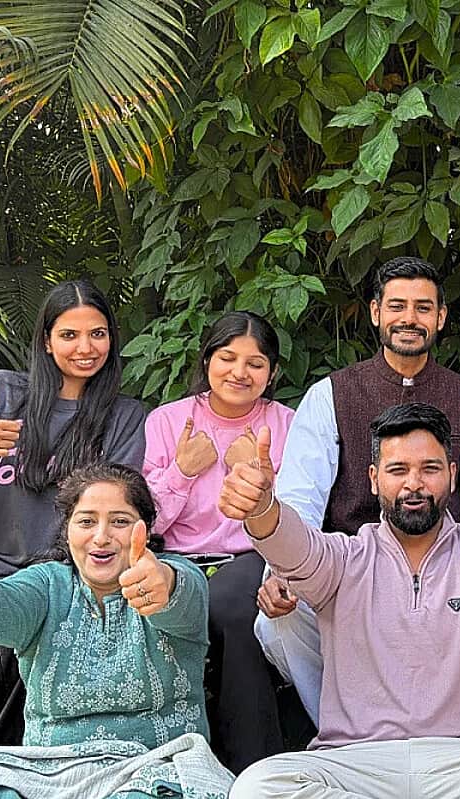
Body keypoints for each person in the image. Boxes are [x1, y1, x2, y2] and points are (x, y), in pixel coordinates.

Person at [220, 404, 460, 799]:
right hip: (356, 762)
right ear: (374, 479)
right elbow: (294, 549)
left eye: (430, 469)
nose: (414, 484)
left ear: (453, 476)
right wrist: (262, 509)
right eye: (398, 470)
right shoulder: (343, 560)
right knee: (257, 786)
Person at [254, 256, 460, 723]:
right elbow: (301, 500)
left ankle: (459, 728)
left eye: (422, 307)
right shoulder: (330, 394)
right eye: (397, 306)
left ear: (440, 318)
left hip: (446, 571)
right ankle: (343, 730)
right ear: (376, 312)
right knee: (280, 618)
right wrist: (282, 572)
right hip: (349, 571)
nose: (409, 319)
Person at [0, 463, 232, 799]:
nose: (102, 537)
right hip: (47, 774)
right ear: (68, 530)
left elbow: (179, 598)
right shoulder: (47, 586)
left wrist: (161, 585)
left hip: (151, 770)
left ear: (147, 530)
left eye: (120, 521)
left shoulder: (180, 578)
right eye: (86, 521)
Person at [0, 279, 146, 745]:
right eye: (69, 335)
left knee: (32, 626)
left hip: (69, 573)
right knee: (16, 629)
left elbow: (119, 510)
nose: (86, 347)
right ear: (46, 340)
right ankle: (6, 761)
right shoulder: (0, 393)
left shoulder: (125, 417)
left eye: (98, 334)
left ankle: (0, 761)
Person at [142, 311, 294, 772]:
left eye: (256, 363)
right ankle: (161, 758)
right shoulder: (168, 421)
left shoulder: (286, 423)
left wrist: (260, 478)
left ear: (271, 373)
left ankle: (257, 764)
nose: (240, 373)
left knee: (232, 610)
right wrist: (184, 470)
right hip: (179, 556)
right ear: (207, 360)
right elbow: (148, 521)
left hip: (252, 554)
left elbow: (297, 513)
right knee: (153, 604)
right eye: (227, 358)